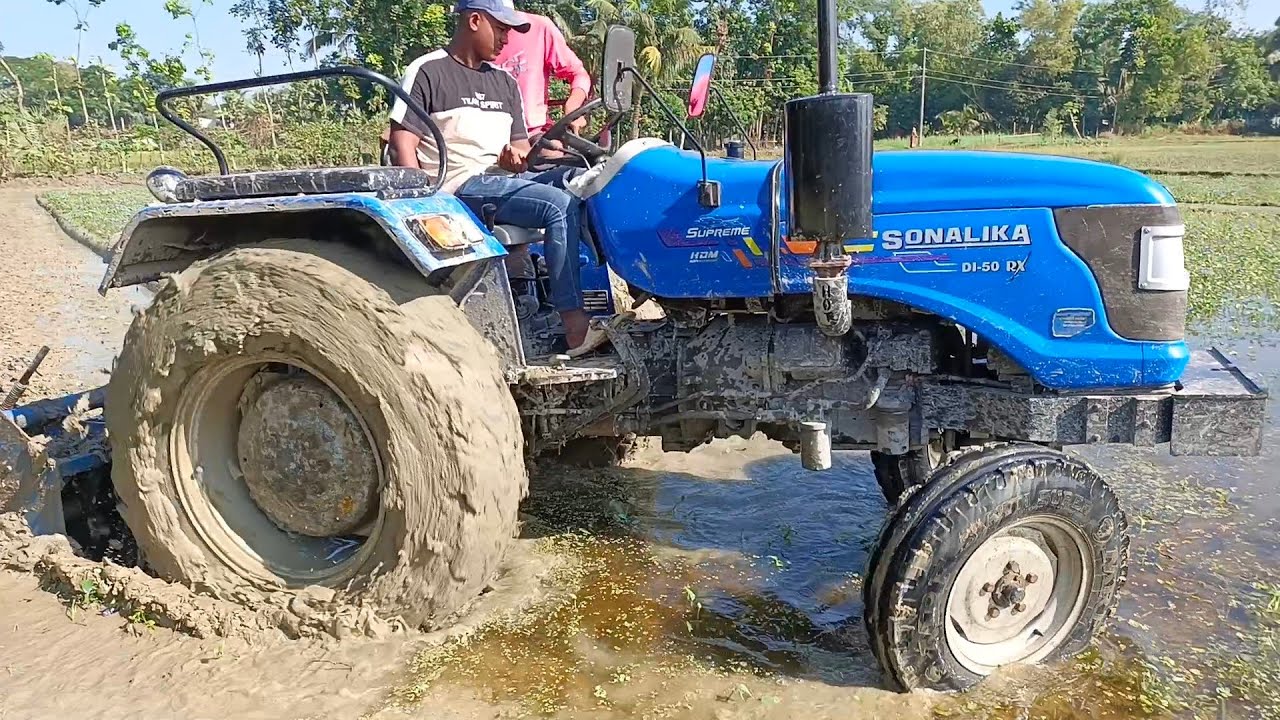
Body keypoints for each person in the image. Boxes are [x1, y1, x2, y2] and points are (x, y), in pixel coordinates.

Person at [386, 0, 597, 353]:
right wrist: (424, 205)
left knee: (586, 183)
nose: (506, 39)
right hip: (456, 188)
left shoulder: (504, 83)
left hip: (501, 182)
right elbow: (401, 144)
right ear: (474, 20)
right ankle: (576, 329)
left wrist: (523, 157)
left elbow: (520, 149)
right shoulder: (428, 71)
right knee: (558, 206)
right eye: (501, 30)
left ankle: (611, 299)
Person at [491, 11, 592, 138]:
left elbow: (578, 74)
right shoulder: (472, 37)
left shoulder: (539, 28)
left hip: (533, 134)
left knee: (558, 155)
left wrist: (573, 107)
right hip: (485, 136)